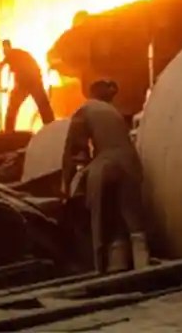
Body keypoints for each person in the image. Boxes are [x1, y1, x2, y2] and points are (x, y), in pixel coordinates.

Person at [61, 79, 149, 273]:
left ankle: (101, 269)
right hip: (131, 163)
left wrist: (66, 185)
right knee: (132, 221)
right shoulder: (114, 112)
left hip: (107, 164)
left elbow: (75, 152)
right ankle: (141, 266)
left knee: (100, 217)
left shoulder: (84, 110)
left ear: (89, 93)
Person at [0, 40, 55, 131]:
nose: (4, 51)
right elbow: (4, 64)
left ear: (8, 47)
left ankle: (8, 132)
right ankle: (51, 126)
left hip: (30, 81)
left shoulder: (13, 54)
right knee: (42, 105)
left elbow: (3, 63)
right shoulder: (15, 54)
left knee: (14, 107)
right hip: (31, 80)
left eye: (5, 48)